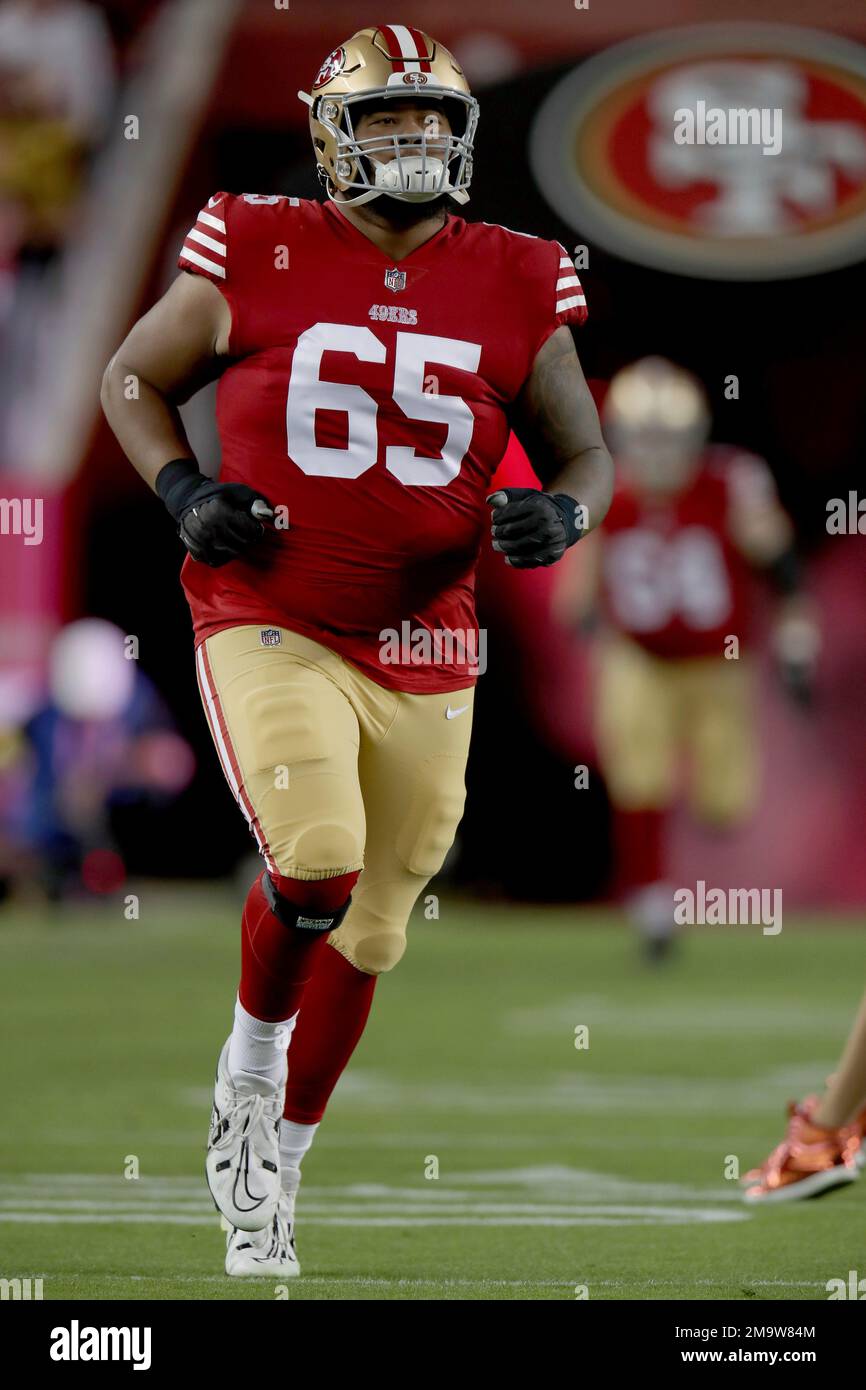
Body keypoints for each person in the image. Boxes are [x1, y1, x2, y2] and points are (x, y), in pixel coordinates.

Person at [101, 25, 614, 1277]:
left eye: (430, 123)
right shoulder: (256, 240)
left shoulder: (517, 271)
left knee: (375, 932)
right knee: (316, 860)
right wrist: (180, 490)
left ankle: (280, 1156)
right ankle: (248, 1078)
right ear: (332, 136)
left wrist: (565, 511)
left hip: (430, 642)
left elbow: (582, 452)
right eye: (385, 121)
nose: (412, 144)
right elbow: (130, 377)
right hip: (269, 614)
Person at [554, 356, 819, 959]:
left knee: (725, 804)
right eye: (642, 437)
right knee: (638, 775)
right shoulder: (604, 488)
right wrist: (582, 619)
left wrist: (798, 632)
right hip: (639, 657)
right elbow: (580, 585)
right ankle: (652, 904)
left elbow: (778, 560)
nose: (654, 452)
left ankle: (676, 873)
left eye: (667, 438)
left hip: (720, 663)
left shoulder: (730, 480)